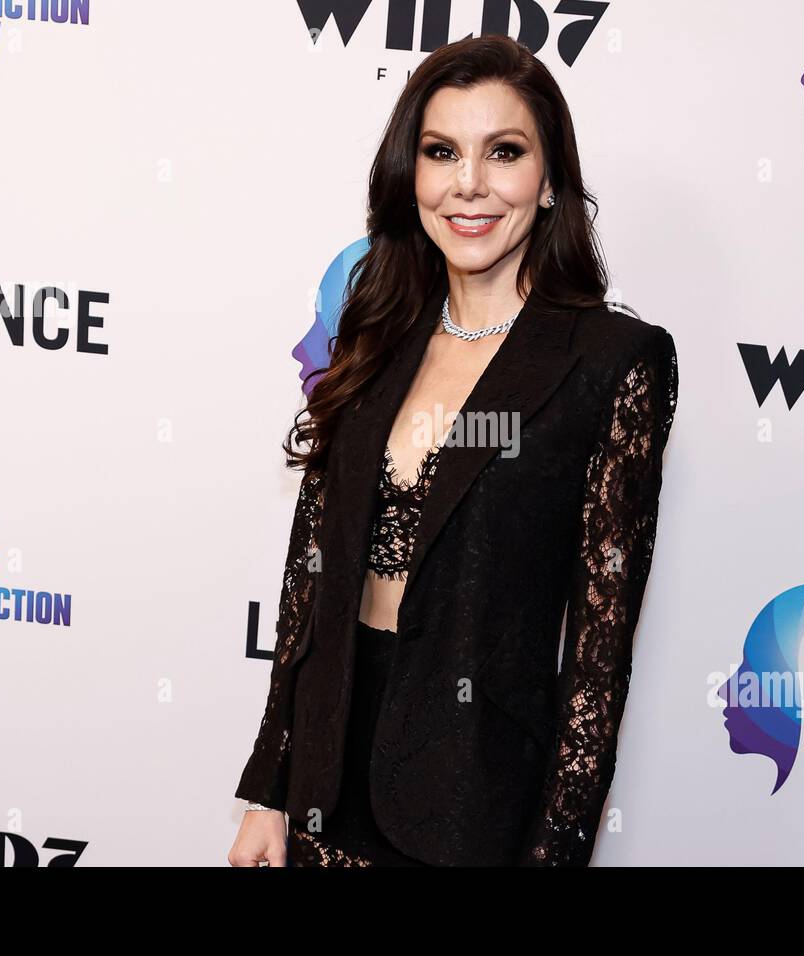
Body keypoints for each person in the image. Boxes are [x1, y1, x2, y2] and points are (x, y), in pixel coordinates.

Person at [228, 33, 678, 867]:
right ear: (413, 176)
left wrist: (556, 851)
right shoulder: (379, 327)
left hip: (473, 792)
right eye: (442, 152)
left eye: (503, 152)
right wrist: (270, 785)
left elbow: (598, 655)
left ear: (548, 183)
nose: (468, 183)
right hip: (328, 768)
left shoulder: (611, 360)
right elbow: (310, 578)